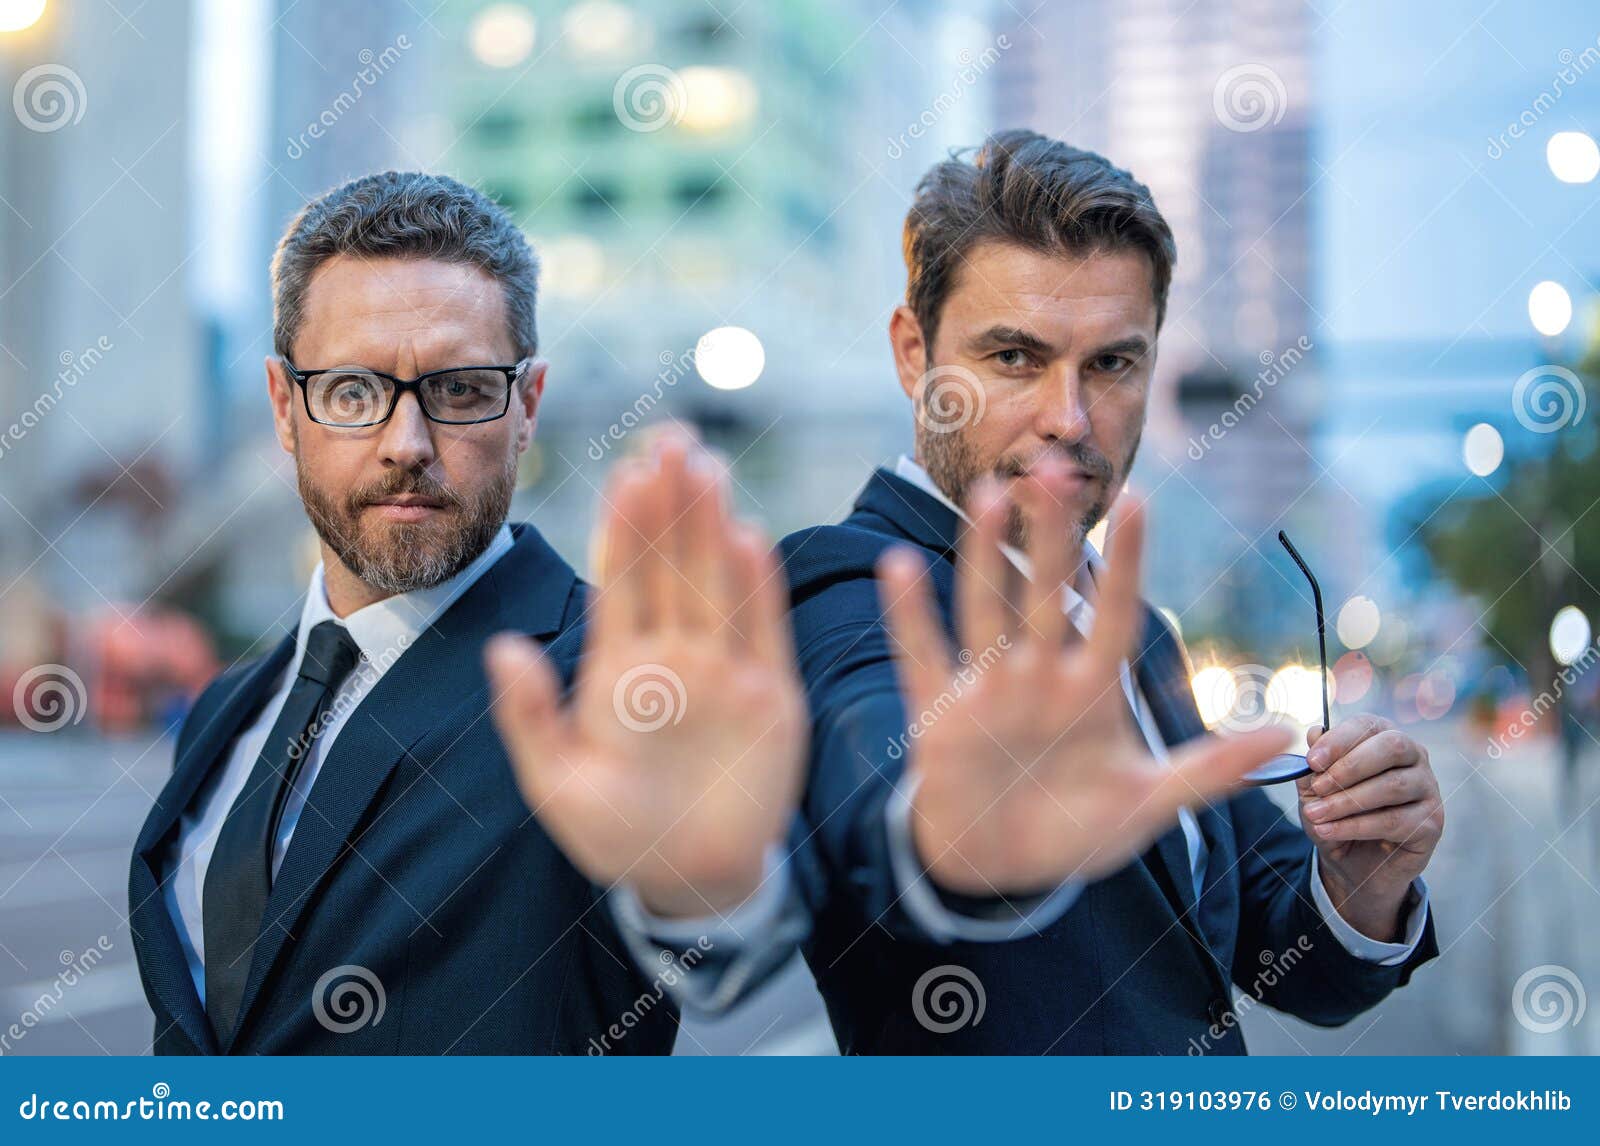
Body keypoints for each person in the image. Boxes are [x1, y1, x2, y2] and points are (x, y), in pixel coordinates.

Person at [762, 131, 1443, 1054]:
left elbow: (1283, 953)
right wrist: (946, 833)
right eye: (1014, 357)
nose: (1069, 418)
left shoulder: (1140, 635)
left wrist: (1363, 883)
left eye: (1112, 364)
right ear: (915, 355)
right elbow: (872, 775)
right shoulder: (846, 587)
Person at [127, 172, 801, 1054]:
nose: (406, 445)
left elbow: (726, 968)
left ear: (527, 407)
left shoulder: (612, 683)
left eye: (459, 390)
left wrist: (708, 897)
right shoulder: (228, 708)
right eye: (353, 390)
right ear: (285, 408)